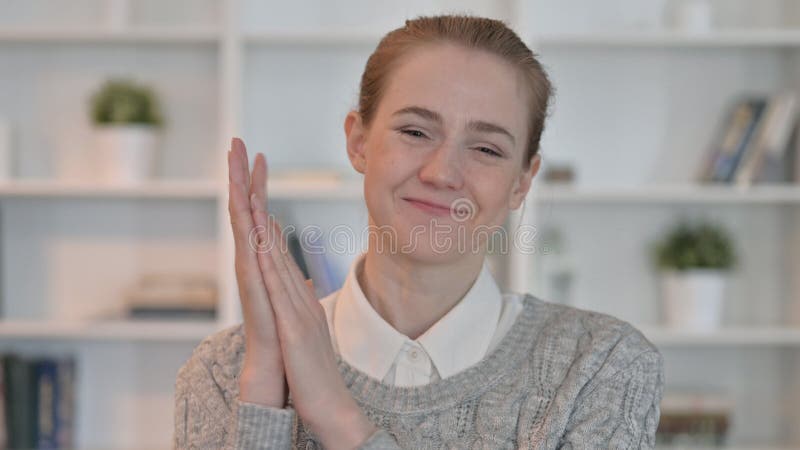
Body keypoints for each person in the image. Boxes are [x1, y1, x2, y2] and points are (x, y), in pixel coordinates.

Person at [173, 14, 664, 449]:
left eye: (486, 149)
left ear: (522, 181)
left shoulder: (598, 367)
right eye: (415, 132)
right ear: (359, 141)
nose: (442, 173)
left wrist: (335, 414)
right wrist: (262, 396)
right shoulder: (225, 372)